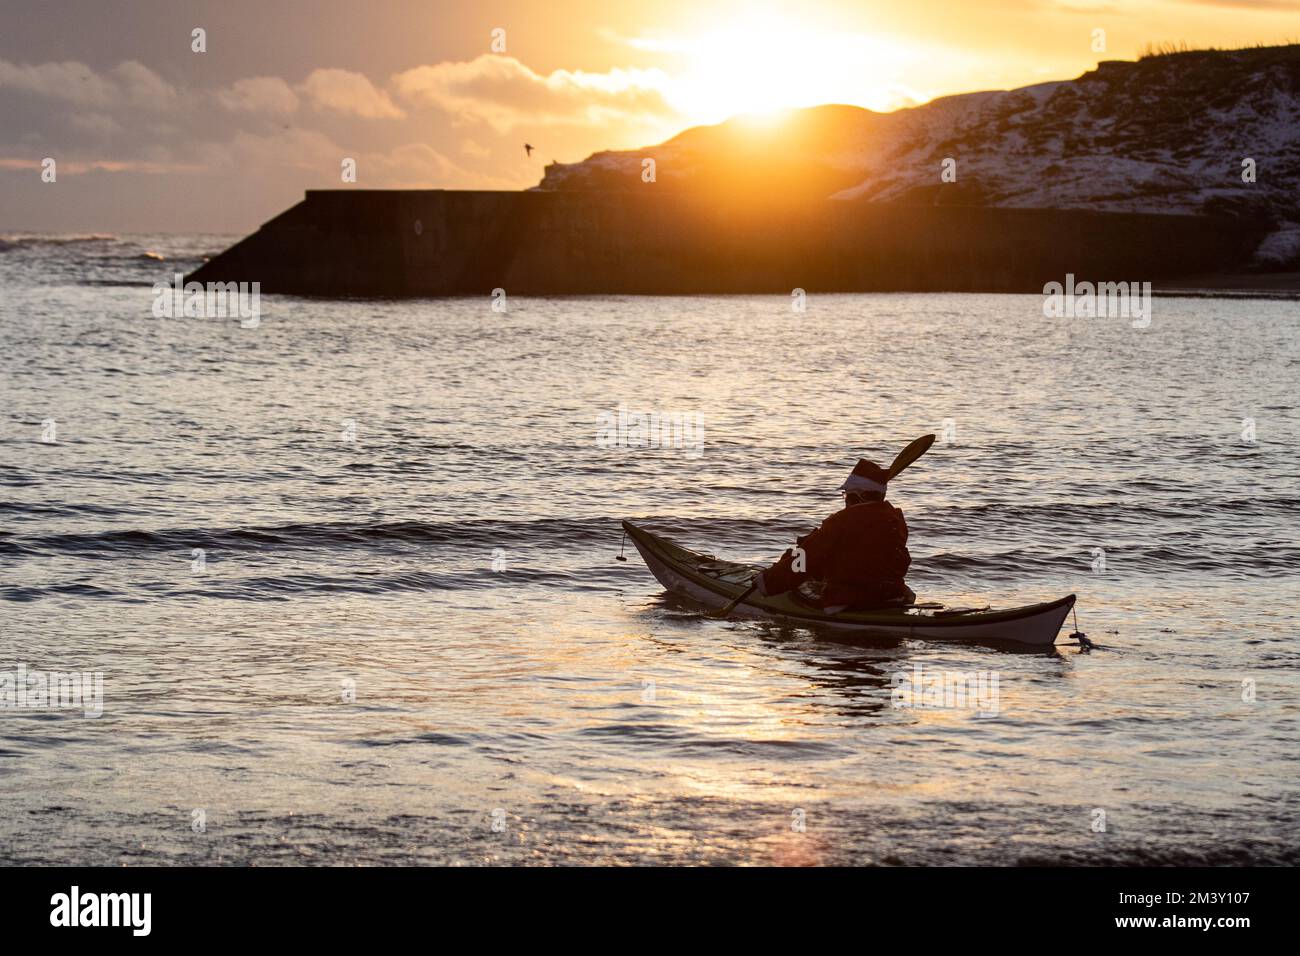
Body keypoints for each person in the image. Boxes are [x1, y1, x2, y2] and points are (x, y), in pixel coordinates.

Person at [753, 458, 914, 612]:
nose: (845, 500)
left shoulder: (841, 521)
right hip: (890, 595)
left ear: (857, 496)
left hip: (848, 600)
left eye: (846, 494)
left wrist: (766, 581)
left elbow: (804, 560)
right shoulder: (896, 519)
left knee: (799, 579)